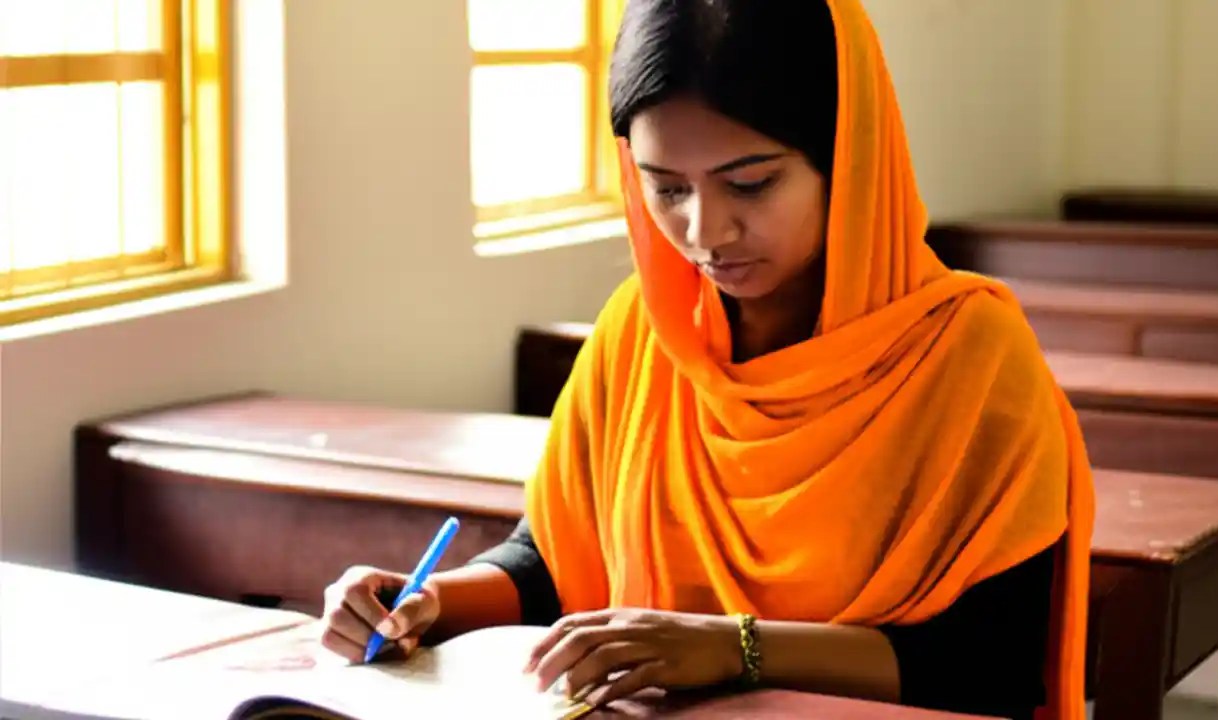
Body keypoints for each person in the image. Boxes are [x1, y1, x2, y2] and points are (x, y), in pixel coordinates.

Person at [318, 1, 1094, 718]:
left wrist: (735, 648)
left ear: (848, 157)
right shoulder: (644, 333)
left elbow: (991, 668)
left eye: (750, 185)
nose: (703, 232)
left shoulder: (969, 357)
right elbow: (554, 563)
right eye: (664, 188)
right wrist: (424, 603)